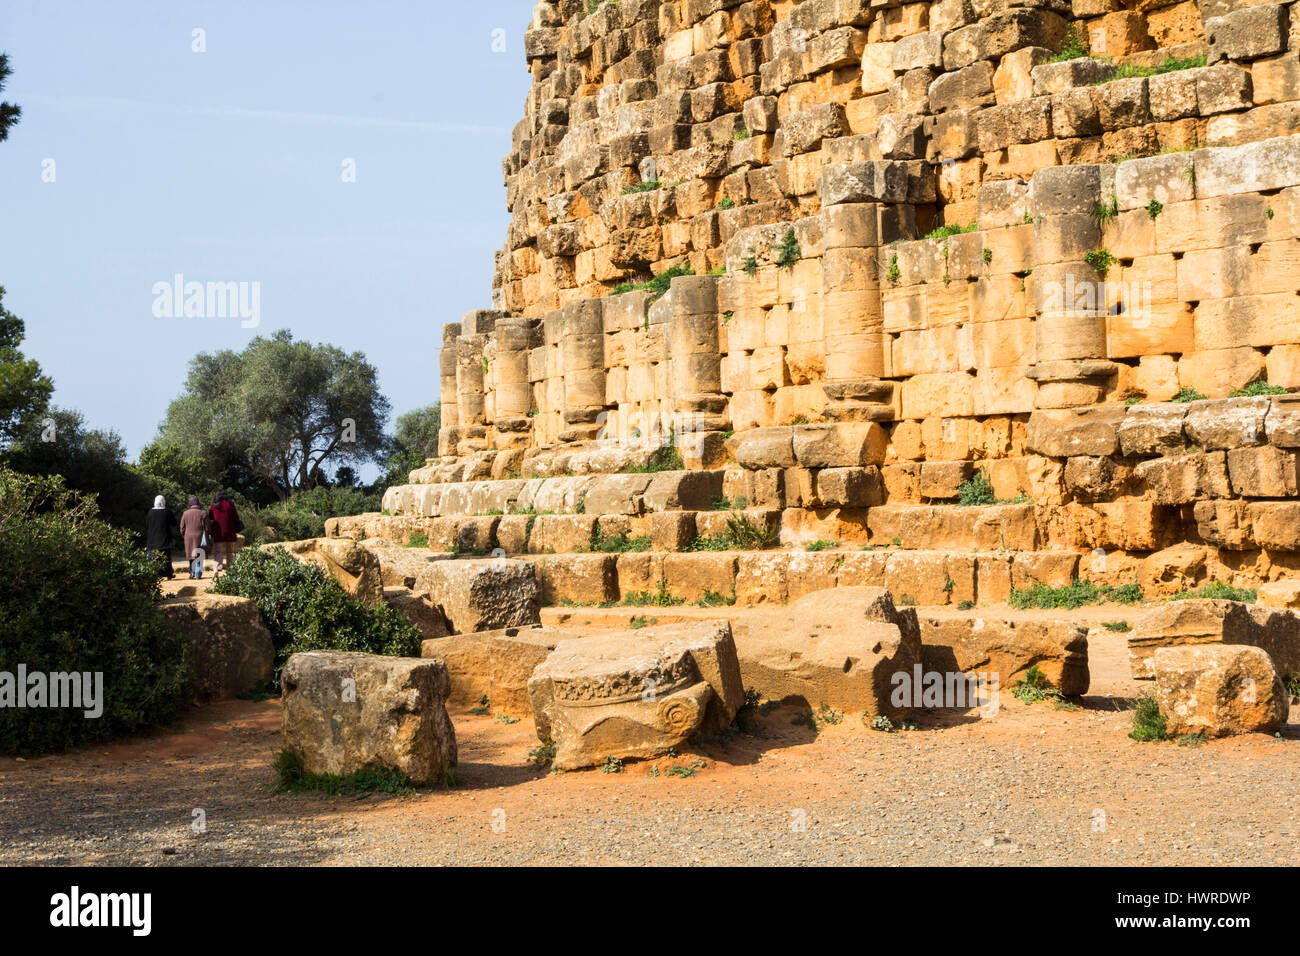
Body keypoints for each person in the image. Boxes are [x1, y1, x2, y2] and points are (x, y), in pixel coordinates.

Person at [208, 490, 242, 571]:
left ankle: (217, 568)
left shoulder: (213, 506)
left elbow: (210, 517)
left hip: (218, 532)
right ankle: (230, 569)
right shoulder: (230, 505)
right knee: (230, 552)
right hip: (230, 532)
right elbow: (236, 518)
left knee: (218, 552)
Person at [144, 495, 177, 579]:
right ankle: (168, 573)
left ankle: (153, 574)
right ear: (163, 501)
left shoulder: (150, 512)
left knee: (153, 558)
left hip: (152, 540)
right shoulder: (167, 511)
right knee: (166, 557)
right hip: (164, 538)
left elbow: (147, 524)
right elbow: (174, 522)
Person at [178, 496, 208, 579]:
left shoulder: (185, 513)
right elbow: (207, 527)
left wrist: (184, 535)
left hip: (188, 537)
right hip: (200, 536)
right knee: (199, 555)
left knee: (191, 555)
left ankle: (192, 572)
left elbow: (182, 527)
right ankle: (198, 572)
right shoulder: (203, 513)